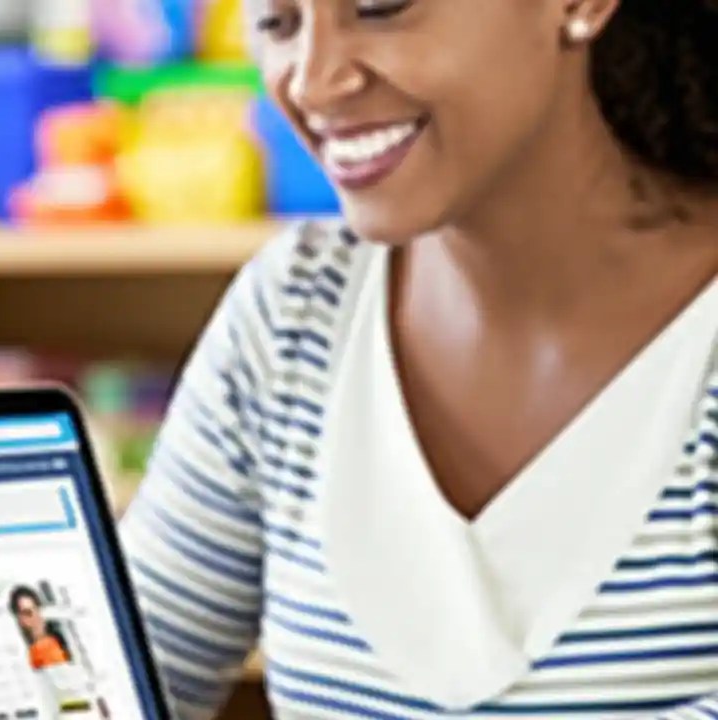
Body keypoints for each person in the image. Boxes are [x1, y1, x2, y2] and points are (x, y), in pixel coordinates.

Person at [120, 0, 718, 717]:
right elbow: (111, 687)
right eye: (278, 22)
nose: (312, 82)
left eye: (379, 7)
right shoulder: (297, 315)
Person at [9, 585, 72, 670]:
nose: (36, 616)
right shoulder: (31, 653)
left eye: (37, 608)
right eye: (27, 613)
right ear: (20, 619)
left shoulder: (62, 640)